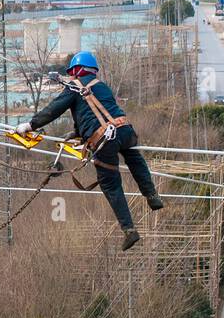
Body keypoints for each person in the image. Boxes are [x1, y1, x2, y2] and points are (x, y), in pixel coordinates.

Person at [17, 50, 163, 250]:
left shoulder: (73, 89)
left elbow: (54, 109)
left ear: (76, 71)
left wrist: (31, 125)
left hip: (104, 139)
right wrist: (78, 132)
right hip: (124, 129)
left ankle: (129, 230)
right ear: (93, 71)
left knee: (111, 184)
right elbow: (96, 111)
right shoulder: (102, 87)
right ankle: (152, 196)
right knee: (135, 160)